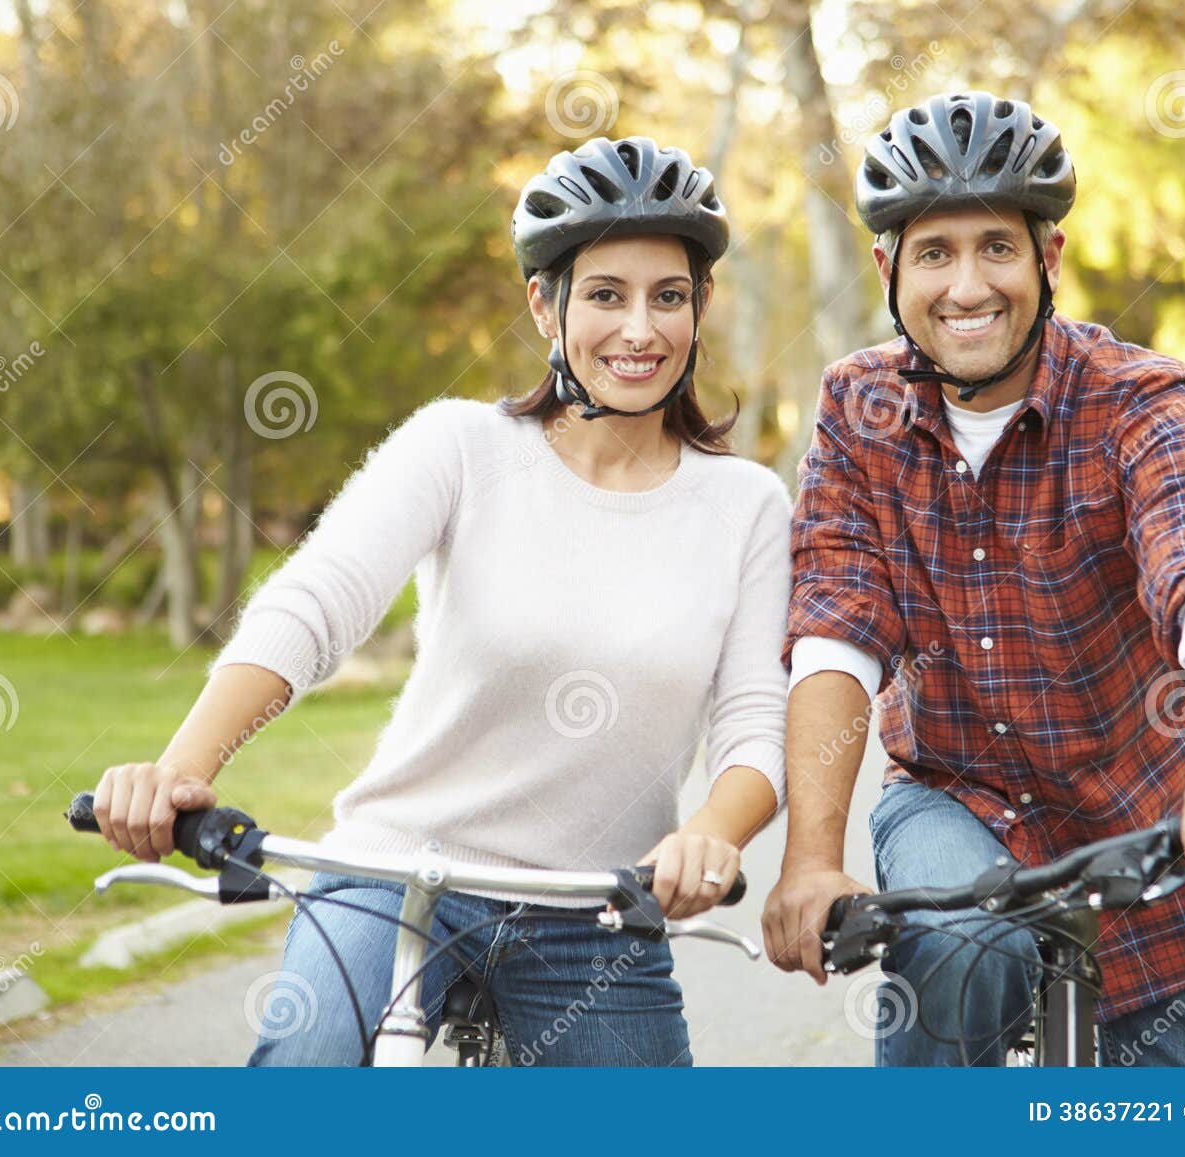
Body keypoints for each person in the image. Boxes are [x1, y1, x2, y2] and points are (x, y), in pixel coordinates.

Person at [91, 136, 791, 1067]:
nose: (640, 330)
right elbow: (318, 600)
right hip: (400, 873)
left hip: (597, 908)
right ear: (545, 303)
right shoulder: (460, 447)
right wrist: (182, 767)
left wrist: (713, 831)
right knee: (305, 1080)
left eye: (669, 296)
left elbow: (753, 722)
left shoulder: (746, 506)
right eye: (605, 294)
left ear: (701, 306)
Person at [761, 93, 1185, 1066]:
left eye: (996, 248)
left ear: (1046, 260)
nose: (967, 284)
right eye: (934, 252)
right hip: (952, 803)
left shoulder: (1143, 398)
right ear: (891, 270)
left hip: (1154, 834)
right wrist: (810, 858)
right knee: (956, 939)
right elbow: (835, 630)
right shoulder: (858, 407)